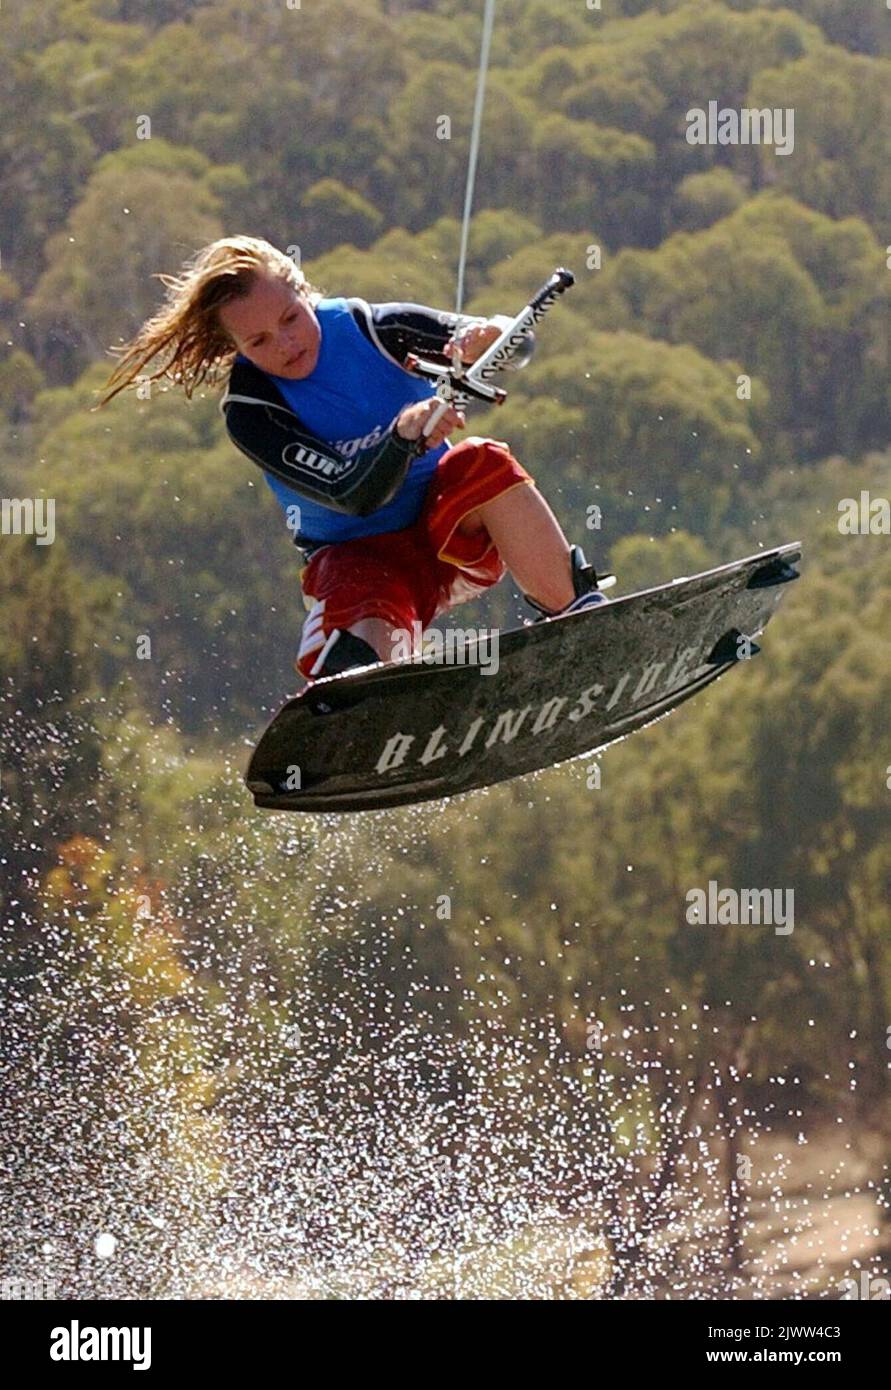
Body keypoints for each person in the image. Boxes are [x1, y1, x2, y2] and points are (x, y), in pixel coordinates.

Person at [98, 236, 608, 682]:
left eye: (291, 319)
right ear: (235, 348)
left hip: (449, 537)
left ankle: (578, 617)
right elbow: (353, 495)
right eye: (258, 341)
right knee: (363, 628)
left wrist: (492, 335)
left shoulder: (374, 327)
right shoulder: (252, 411)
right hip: (361, 559)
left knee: (482, 460)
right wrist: (402, 438)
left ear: (305, 293)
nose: (287, 343)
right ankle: (365, 692)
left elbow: (516, 344)